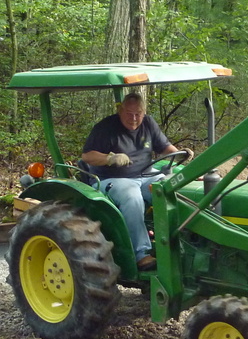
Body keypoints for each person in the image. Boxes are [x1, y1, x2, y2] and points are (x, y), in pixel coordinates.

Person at [81, 93, 191, 271]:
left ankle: (178, 245)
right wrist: (110, 158)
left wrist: (180, 153)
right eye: (129, 113)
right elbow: (87, 156)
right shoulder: (105, 127)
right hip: (112, 179)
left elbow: (164, 148)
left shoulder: (148, 123)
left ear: (144, 112)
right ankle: (141, 254)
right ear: (120, 110)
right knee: (132, 197)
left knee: (174, 188)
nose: (133, 118)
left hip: (147, 174)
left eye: (138, 114)